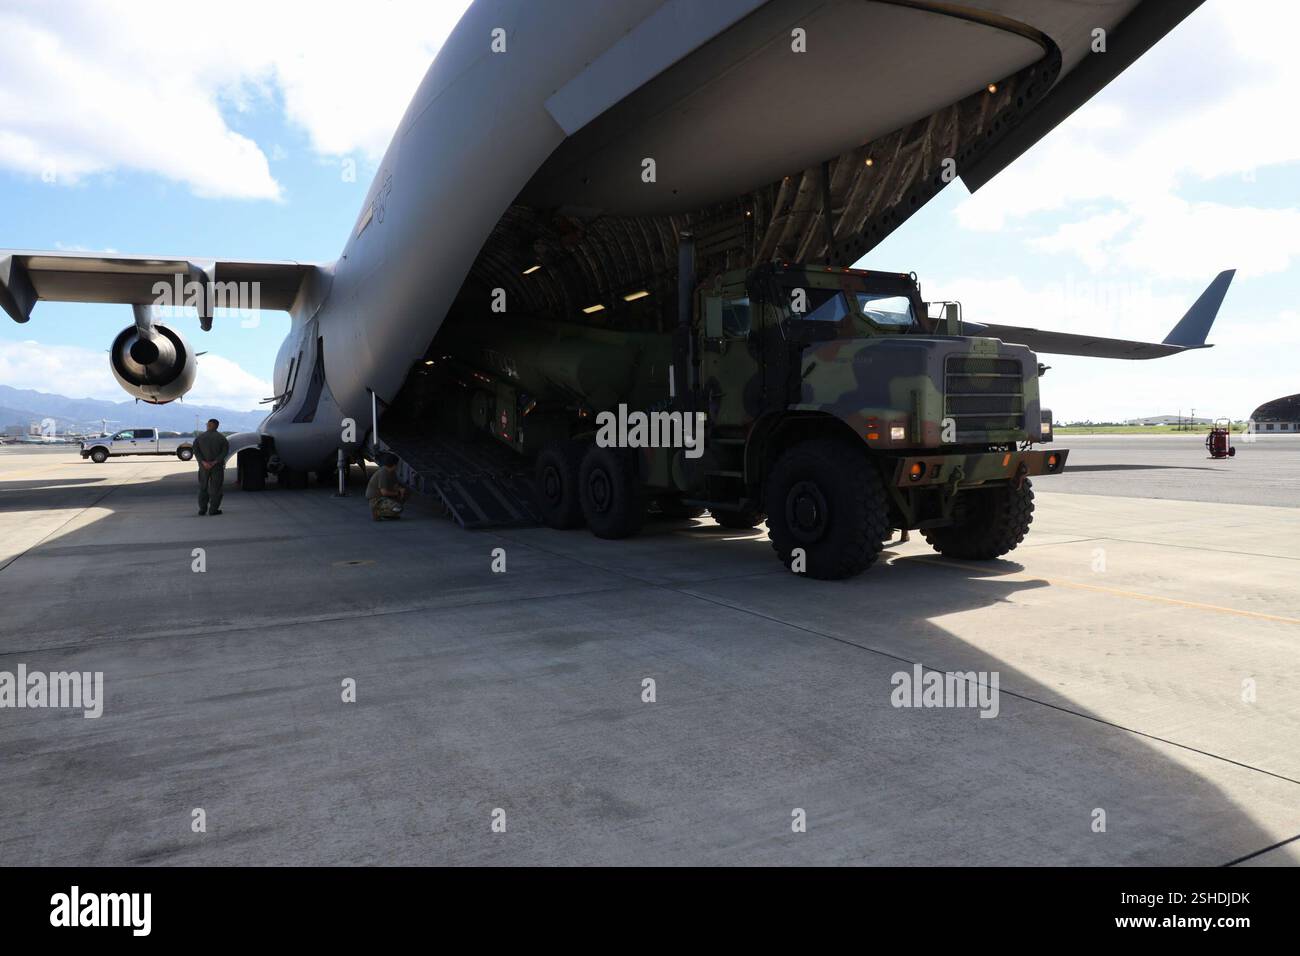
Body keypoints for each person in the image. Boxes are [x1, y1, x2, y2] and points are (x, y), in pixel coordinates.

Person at [193, 419, 229, 515]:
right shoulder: (222, 438)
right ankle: (213, 510)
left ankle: (202, 509)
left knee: (203, 487)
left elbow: (196, 451)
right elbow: (224, 452)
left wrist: (203, 462)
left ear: (208, 425)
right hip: (217, 467)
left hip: (203, 467)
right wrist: (214, 462)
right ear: (217, 426)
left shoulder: (199, 438)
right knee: (216, 488)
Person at [366, 453, 408, 520]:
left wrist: (401, 489)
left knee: (406, 493)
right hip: (376, 499)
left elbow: (395, 485)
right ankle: (377, 511)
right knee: (398, 507)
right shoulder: (383, 473)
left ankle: (389, 513)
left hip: (384, 497)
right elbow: (384, 492)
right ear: (394, 464)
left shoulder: (392, 472)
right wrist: (398, 493)